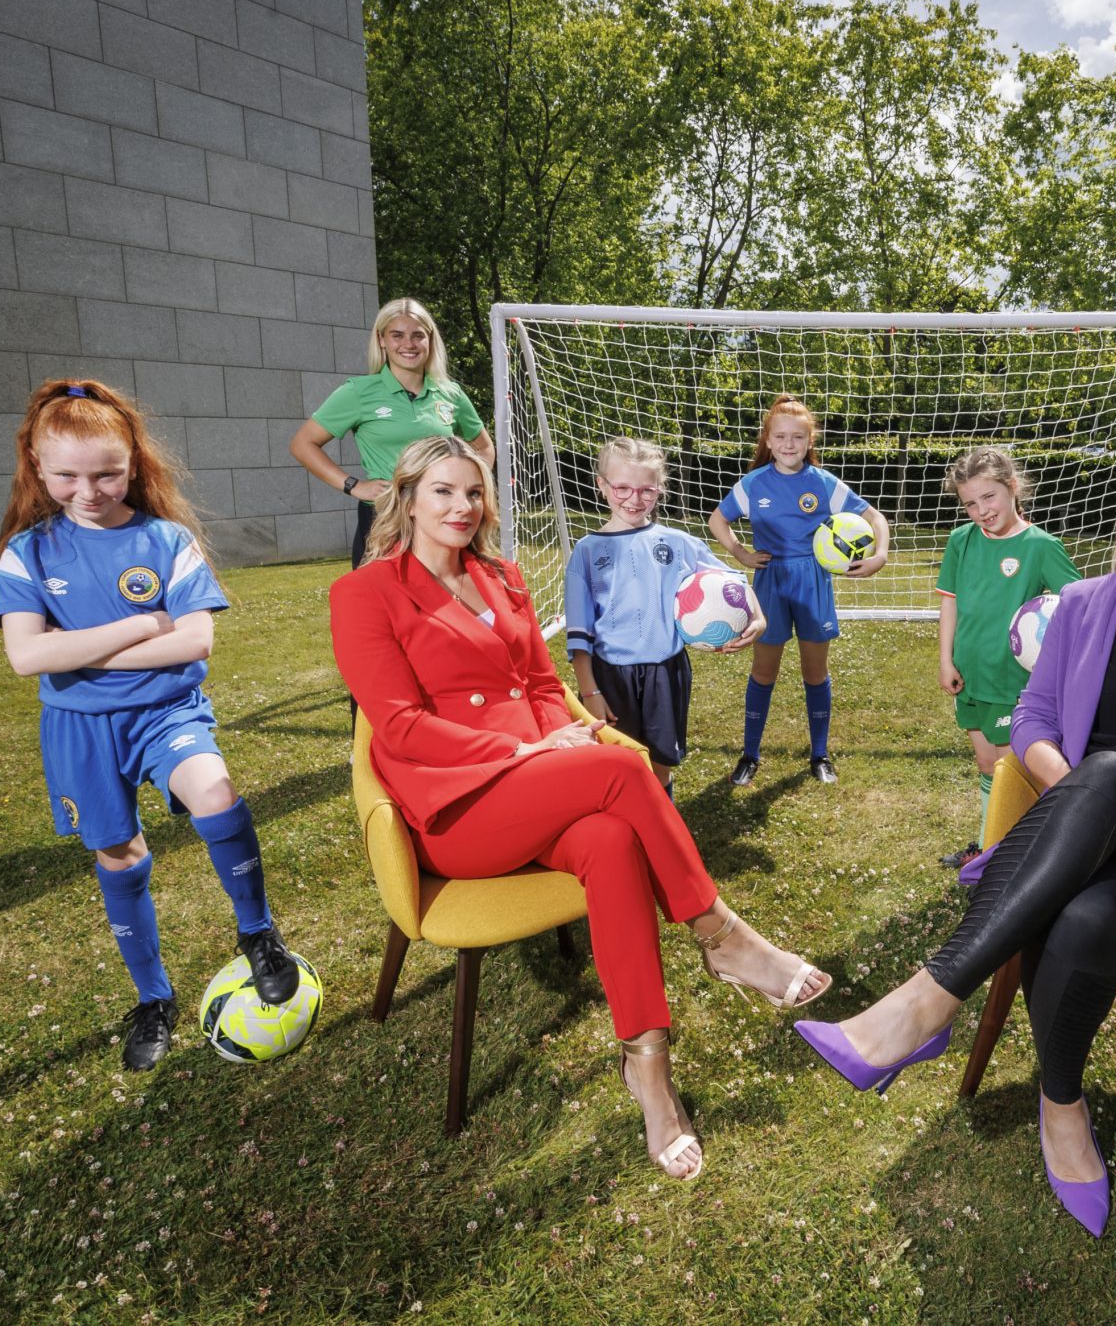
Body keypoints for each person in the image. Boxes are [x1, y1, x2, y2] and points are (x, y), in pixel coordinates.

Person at [794, 448, 1116, 1236]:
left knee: (1114, 775)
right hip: (1089, 833)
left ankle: (926, 1003)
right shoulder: (1083, 603)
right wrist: (1071, 780)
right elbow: (1031, 720)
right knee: (1084, 915)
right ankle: (1062, 1102)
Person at [330, 436, 829, 1181]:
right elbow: (398, 726)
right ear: (405, 498)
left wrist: (565, 739)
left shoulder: (500, 576)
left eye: (473, 492)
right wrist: (534, 755)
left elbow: (536, 687)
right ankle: (721, 935)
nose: (462, 506)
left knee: (609, 840)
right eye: (442, 491)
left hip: (540, 785)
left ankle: (648, 1070)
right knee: (621, 773)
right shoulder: (364, 593)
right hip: (457, 809)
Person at [0, 379, 302, 1072]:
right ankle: (153, 997)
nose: (89, 489)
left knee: (215, 794)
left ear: (134, 462)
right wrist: (140, 624)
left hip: (168, 712)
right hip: (80, 732)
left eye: (106, 472)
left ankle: (258, 933)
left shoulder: (166, 540)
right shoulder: (28, 552)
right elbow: (27, 655)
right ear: (37, 467)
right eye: (68, 474)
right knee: (119, 855)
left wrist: (80, 646)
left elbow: (195, 642)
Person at [565, 436, 766, 797]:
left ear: (660, 490)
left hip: (665, 672)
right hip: (609, 676)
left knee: (660, 765)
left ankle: (664, 833)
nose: (634, 499)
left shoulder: (677, 543)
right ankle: (628, 837)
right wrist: (590, 690)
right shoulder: (586, 551)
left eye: (646, 490)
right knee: (618, 762)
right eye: (622, 488)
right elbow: (579, 634)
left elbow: (732, 581)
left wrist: (759, 616)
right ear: (601, 485)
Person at [706, 395, 890, 785]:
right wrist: (740, 552)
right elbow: (717, 520)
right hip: (771, 580)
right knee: (763, 670)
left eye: (798, 437)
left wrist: (881, 555)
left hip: (812, 581)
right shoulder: (754, 484)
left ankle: (820, 755)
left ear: (809, 442)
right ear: (768, 441)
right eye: (781, 437)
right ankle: (750, 755)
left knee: (814, 670)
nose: (789, 444)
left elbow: (875, 517)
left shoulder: (822, 483)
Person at [934, 446, 1081, 870]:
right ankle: (989, 843)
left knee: (1010, 772)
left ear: (1012, 487)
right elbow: (950, 603)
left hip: (1012, 682)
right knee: (986, 764)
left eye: (989, 497)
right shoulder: (961, 541)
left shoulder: (1041, 547)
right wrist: (946, 659)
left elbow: (1075, 606)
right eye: (970, 503)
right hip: (970, 675)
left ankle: (1013, 853)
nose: (981, 510)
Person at [289, 297, 494, 568]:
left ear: (430, 340)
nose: (408, 344)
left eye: (417, 335)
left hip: (438, 517)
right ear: (382, 340)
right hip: (384, 515)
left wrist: (466, 491)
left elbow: (484, 447)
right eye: (397, 335)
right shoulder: (358, 392)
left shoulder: (450, 393)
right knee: (377, 603)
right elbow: (303, 444)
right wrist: (354, 486)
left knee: (443, 601)